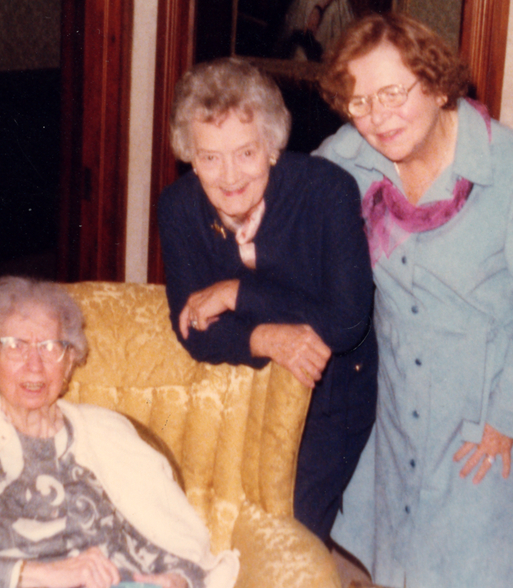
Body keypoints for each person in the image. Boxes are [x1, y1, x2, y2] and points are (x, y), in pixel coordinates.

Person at [313, 12, 513, 588]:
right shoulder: (348, 159)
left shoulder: (511, 166)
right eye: (359, 102)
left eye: (393, 94)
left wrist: (506, 420)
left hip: (486, 415)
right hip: (398, 405)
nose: (378, 117)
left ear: (434, 84)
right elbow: (282, 206)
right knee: (398, 566)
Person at [0, 276, 239, 588]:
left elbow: (179, 546)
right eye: (15, 346)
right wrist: (32, 574)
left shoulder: (110, 434)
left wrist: (174, 579)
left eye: (51, 347)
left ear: (68, 365)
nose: (34, 365)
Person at [157, 57, 377, 543]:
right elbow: (193, 328)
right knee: (213, 527)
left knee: (287, 536)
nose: (229, 176)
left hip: (329, 395)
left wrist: (236, 293)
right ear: (189, 155)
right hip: (239, 390)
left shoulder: (326, 191)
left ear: (272, 147)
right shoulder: (178, 208)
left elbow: (345, 323)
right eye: (210, 157)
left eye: (246, 153)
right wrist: (265, 337)